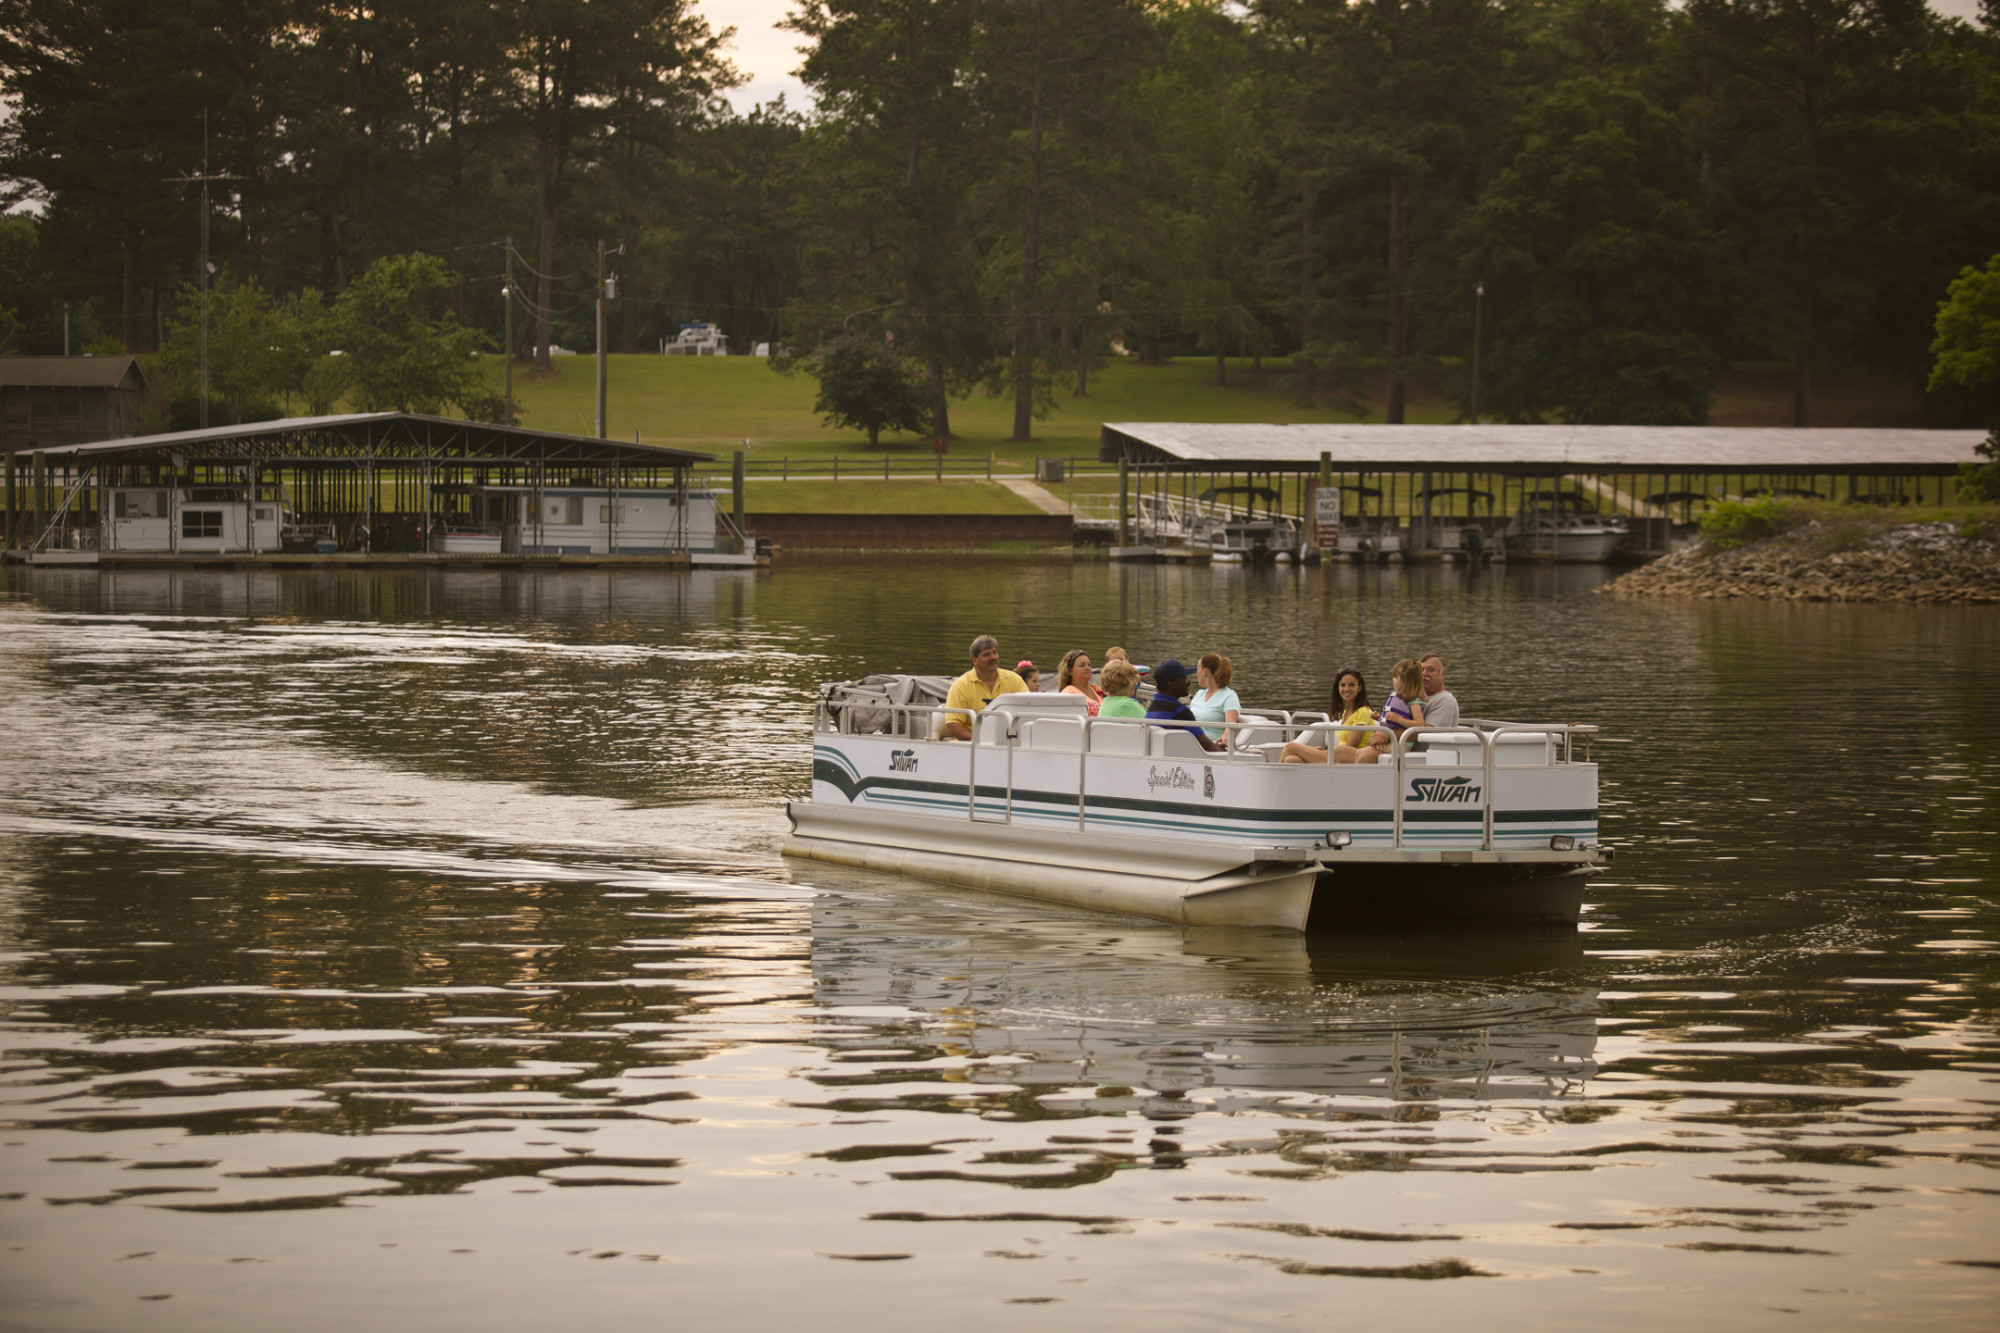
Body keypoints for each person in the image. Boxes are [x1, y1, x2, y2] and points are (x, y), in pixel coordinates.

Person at [940, 634, 1028, 740]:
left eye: (994, 652)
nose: (993, 658)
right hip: (971, 746)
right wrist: (980, 741)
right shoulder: (960, 686)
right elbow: (953, 726)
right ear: (974, 660)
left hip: (1009, 743)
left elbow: (1028, 711)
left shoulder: (1015, 680)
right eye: (986, 654)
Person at [1283, 668, 1372, 764]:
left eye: (1351, 685)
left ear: (1360, 687)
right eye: (1342, 685)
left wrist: (1323, 753)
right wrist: (1323, 752)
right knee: (1291, 759)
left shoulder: (1362, 712)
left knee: (1290, 747)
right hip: (1337, 754)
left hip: (1348, 759)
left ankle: (1274, 773)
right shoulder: (1346, 712)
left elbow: (1348, 748)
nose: (1346, 689)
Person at [1348, 658, 1425, 764]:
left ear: (1405, 680)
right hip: (1390, 739)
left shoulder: (1414, 702)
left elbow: (1419, 725)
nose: (1393, 680)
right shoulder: (1399, 697)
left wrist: (1398, 719)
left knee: (1364, 755)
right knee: (1359, 752)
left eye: (1395, 677)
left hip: (1401, 744)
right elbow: (1390, 722)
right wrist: (1379, 718)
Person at [1144, 659, 1222, 752]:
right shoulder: (1180, 712)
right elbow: (1208, 747)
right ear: (1172, 684)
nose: (1189, 683)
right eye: (1184, 679)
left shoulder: (1150, 710)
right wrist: (1222, 749)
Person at [1189, 653, 1241, 742]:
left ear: (1204, 671)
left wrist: (1225, 737)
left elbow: (1230, 725)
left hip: (1211, 746)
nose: (1196, 674)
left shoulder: (1229, 696)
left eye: (1197, 669)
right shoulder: (1199, 694)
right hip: (1191, 742)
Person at [1056, 649, 1103, 715]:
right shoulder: (1068, 693)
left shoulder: (1097, 689)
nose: (1087, 668)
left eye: (1089, 664)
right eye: (1082, 665)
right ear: (1070, 671)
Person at [1419, 653, 1459, 729]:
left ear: (1443, 674)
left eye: (1430, 670)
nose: (1424, 674)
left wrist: (1393, 732)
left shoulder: (1445, 700)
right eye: (1421, 670)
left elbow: (1426, 732)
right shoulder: (1415, 697)